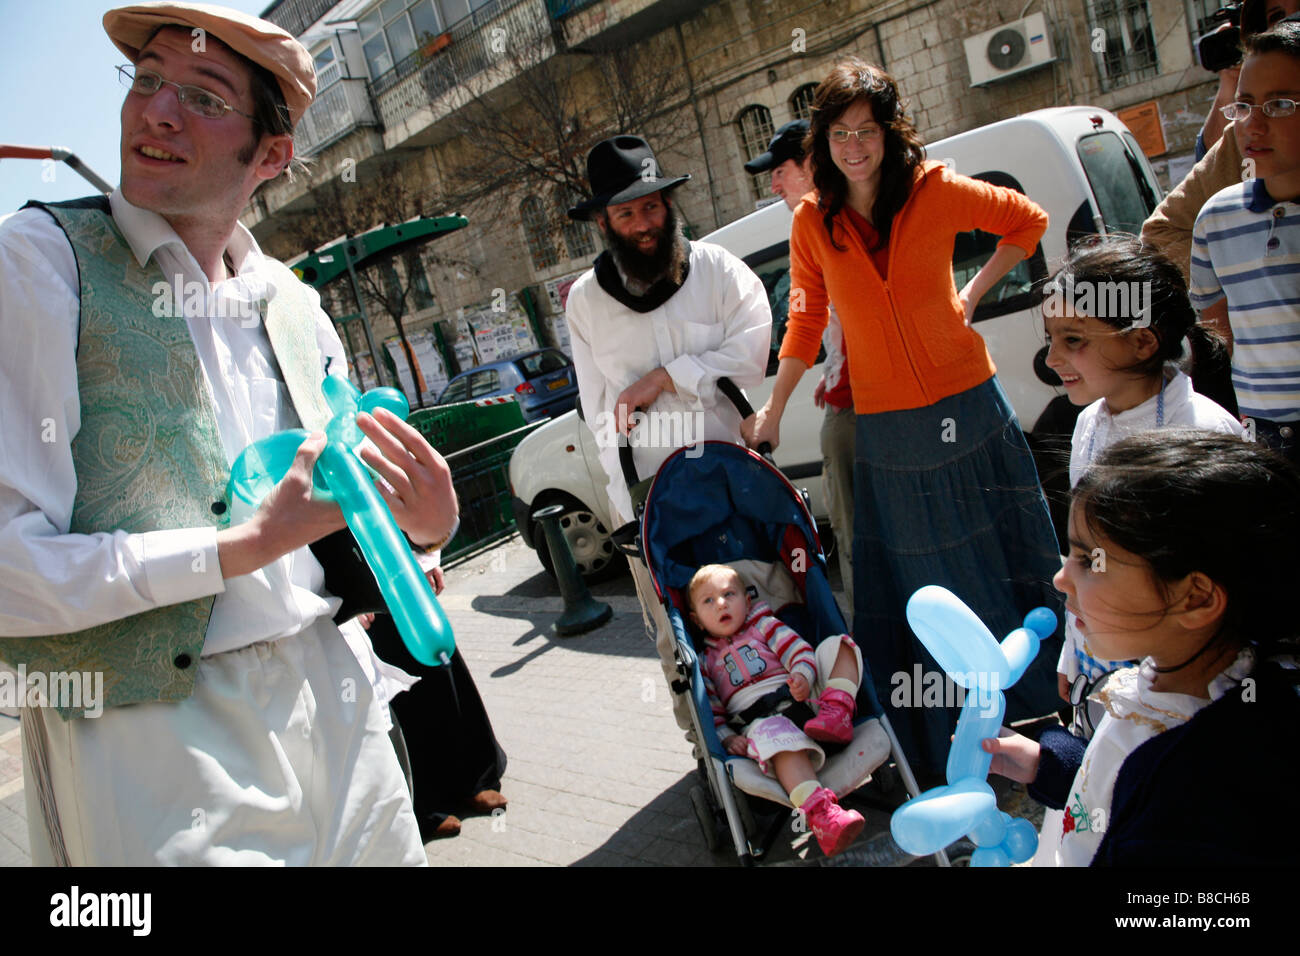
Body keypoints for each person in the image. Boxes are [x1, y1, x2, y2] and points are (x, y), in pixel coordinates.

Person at [0, 2, 458, 865]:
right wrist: (233, 549)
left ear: (272, 155)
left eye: (203, 96)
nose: (155, 111)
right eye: (147, 80)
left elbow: (344, 513)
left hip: (339, 695)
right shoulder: (36, 262)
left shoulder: (291, 299)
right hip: (150, 739)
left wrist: (426, 527)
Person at [747, 58, 1064, 778]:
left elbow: (1027, 222)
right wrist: (774, 405)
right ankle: (955, 738)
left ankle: (1044, 709)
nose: (853, 146)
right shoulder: (811, 223)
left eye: (866, 131)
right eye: (838, 133)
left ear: (889, 133)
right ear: (822, 141)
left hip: (971, 405)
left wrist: (971, 293)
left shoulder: (938, 189)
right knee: (930, 586)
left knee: (1009, 555)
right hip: (888, 424)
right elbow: (804, 322)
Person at [984, 431, 1300, 866]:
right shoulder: (1175, 683)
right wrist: (1053, 767)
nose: (1061, 578)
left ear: (1196, 598)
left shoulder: (1209, 785)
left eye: (1090, 562)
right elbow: (1125, 803)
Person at [565, 135, 771, 736]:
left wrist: (667, 378)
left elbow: (753, 354)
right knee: (678, 634)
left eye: (651, 206)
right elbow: (599, 407)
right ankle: (710, 749)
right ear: (603, 221)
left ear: (668, 204)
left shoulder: (718, 271)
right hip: (652, 503)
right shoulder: (584, 302)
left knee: (758, 602)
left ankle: (789, 716)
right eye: (625, 213)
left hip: (733, 482)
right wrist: (620, 512)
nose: (643, 224)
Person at [1043, 236, 1242, 737]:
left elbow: (1229, 580)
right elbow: (1084, 555)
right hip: (1104, 659)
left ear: (1142, 341)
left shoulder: (1203, 431)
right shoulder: (1088, 423)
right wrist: (1075, 644)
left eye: (1073, 340)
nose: (1050, 359)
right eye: (1052, 338)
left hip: (1188, 684)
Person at [744, 120, 857, 612]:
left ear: (811, 165)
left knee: (855, 541)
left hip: (859, 408)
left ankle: (869, 648)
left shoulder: (816, 220)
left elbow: (804, 320)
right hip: (852, 392)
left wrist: (775, 406)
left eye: (780, 171)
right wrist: (838, 364)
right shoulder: (842, 214)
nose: (772, 185)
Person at [688, 563, 864, 856]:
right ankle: (822, 815)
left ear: (747, 601)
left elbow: (800, 651)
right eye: (709, 600)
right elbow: (713, 712)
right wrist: (728, 738)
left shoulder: (764, 625)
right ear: (696, 620)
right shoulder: (705, 662)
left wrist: (802, 676)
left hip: (807, 703)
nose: (721, 603)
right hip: (762, 722)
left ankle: (839, 710)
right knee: (779, 742)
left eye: (729, 594)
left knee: (841, 645)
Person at [1189, 20, 1300, 467]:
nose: (1254, 124)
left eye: (1278, 105)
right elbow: (1221, 329)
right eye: (1244, 105)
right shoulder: (1216, 219)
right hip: (1265, 435)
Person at [356, 554, 508, 842]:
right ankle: (427, 805)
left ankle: (475, 779)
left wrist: (424, 560)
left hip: (396, 564)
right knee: (401, 696)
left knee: (441, 668)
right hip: (354, 583)